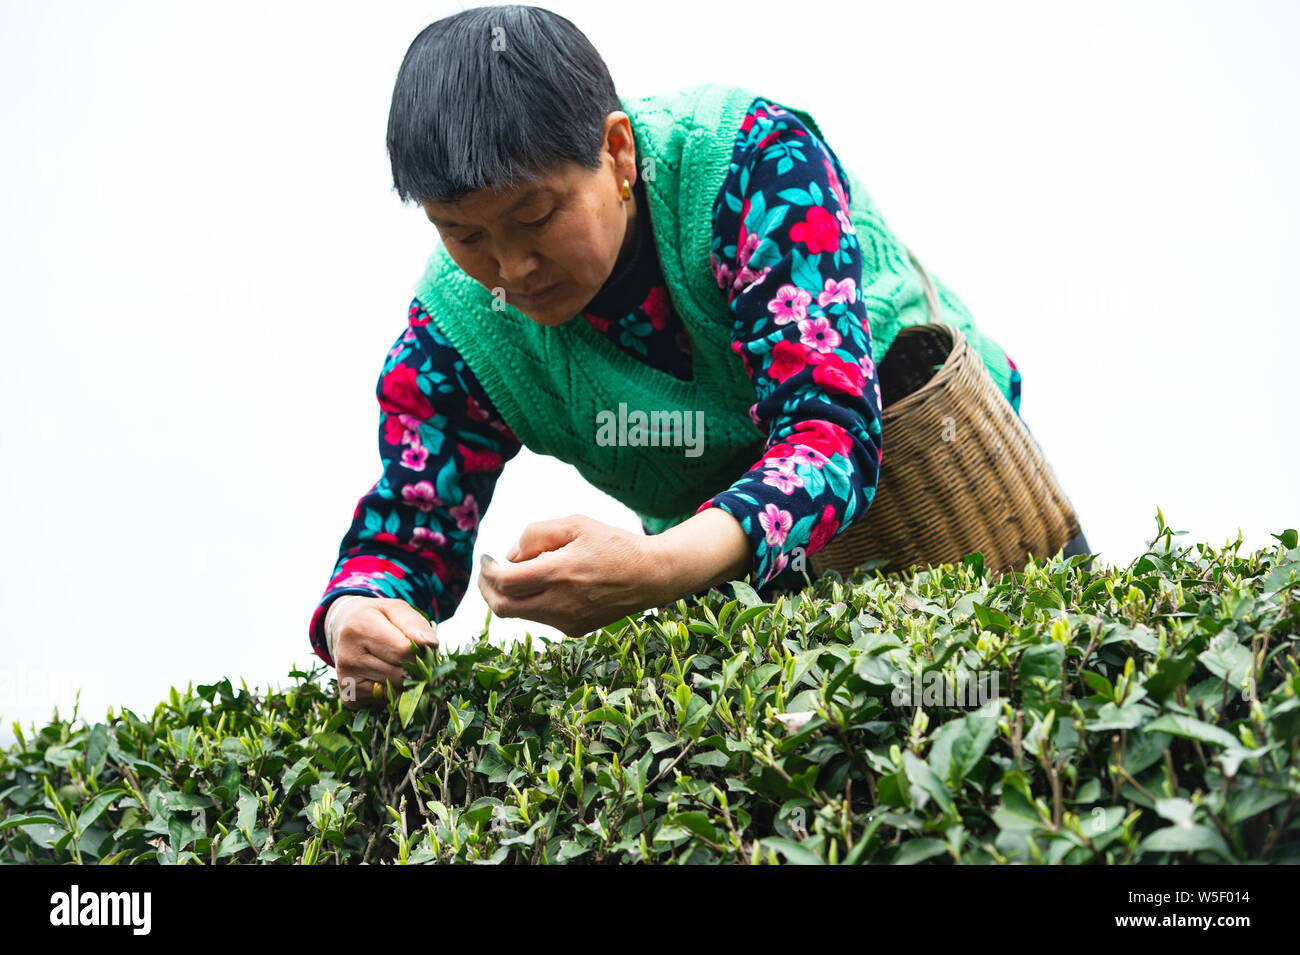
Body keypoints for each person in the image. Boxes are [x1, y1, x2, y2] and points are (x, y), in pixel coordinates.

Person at [309, 5, 1030, 707]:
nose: (513, 266)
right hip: (738, 583)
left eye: (536, 216)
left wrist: (654, 568)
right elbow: (407, 529)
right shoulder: (454, 335)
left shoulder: (751, 162)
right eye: (464, 236)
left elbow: (829, 432)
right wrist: (357, 616)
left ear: (618, 152)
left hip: (949, 493)